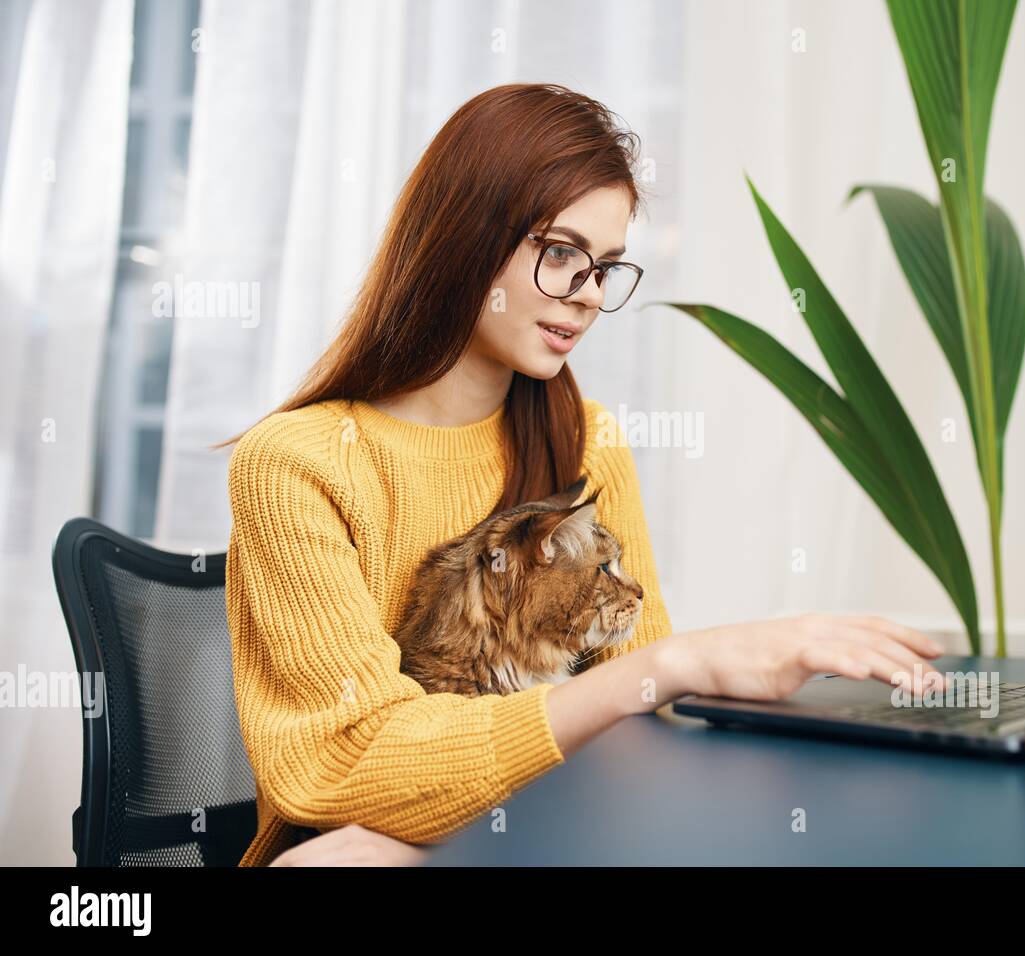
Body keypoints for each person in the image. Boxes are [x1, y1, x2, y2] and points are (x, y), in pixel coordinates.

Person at [217, 82, 948, 867]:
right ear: (465, 238)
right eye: (561, 253)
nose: (590, 296)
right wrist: (670, 668)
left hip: (550, 832)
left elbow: (642, 722)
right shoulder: (297, 464)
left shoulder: (587, 442)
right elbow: (347, 760)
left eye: (605, 267)